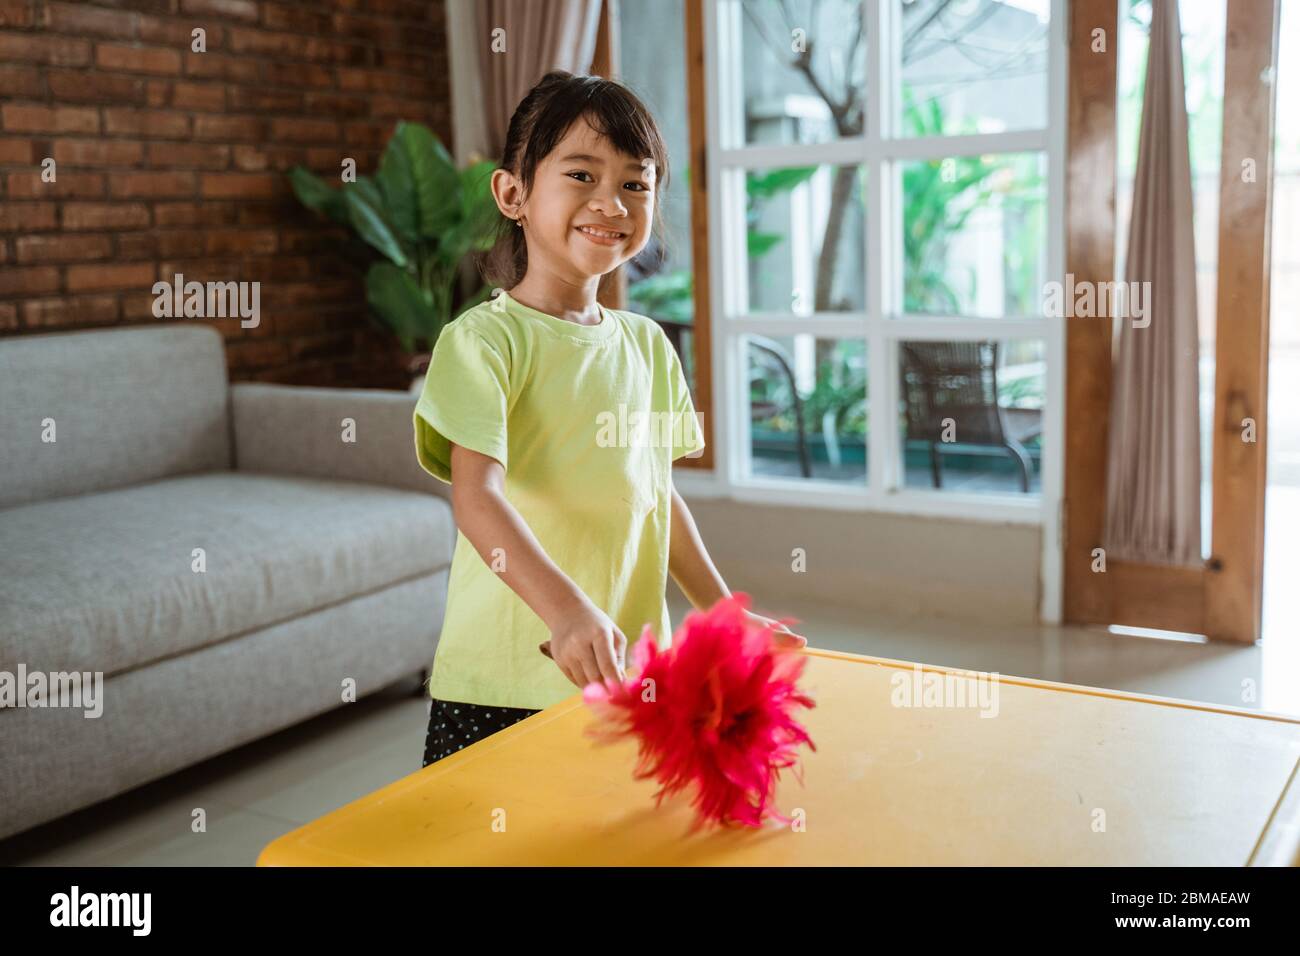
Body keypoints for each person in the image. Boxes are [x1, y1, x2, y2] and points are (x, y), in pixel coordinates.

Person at [414, 71, 805, 769]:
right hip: (505, 677)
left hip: (622, 676)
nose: (611, 202)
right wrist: (564, 611)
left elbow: (658, 495)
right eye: (582, 174)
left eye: (635, 182)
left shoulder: (649, 347)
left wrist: (720, 613)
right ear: (513, 194)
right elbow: (477, 495)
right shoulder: (482, 342)